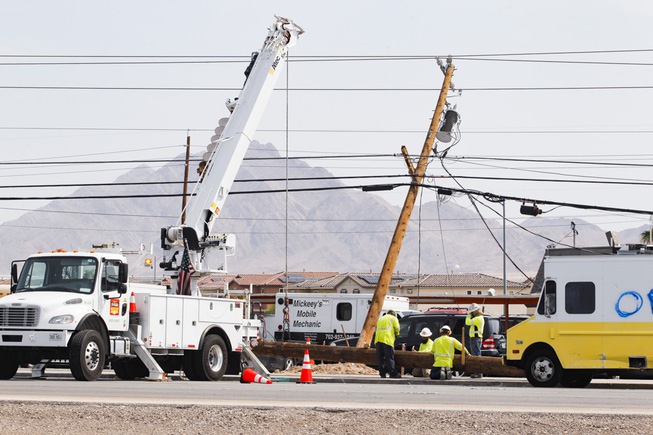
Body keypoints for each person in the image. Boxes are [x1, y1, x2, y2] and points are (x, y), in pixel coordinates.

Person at [374, 309, 401, 378]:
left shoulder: (381, 319)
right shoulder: (394, 318)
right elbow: (397, 328)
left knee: (380, 358)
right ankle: (392, 373)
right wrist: (396, 334)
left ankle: (382, 373)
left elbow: (376, 329)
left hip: (378, 340)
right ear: (394, 314)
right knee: (389, 357)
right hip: (387, 340)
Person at [465, 303, 485, 378]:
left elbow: (467, 322)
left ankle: (478, 372)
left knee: (476, 356)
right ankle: (477, 372)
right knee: (476, 355)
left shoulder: (478, 318)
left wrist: (469, 315)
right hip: (476, 339)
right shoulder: (479, 318)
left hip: (475, 339)